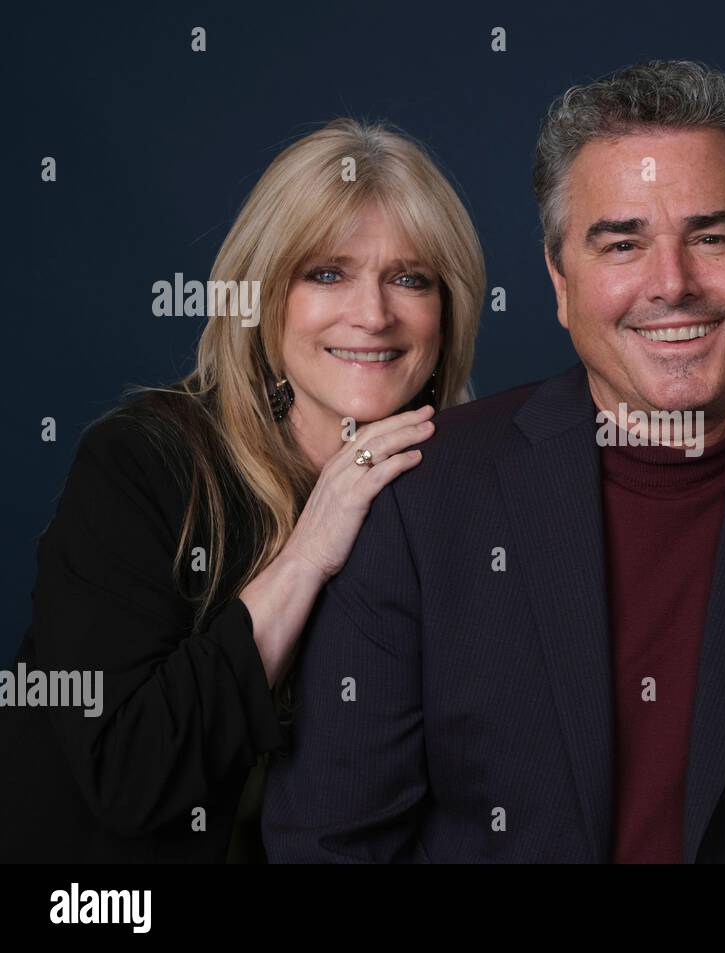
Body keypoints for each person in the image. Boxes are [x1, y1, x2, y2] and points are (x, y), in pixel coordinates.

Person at [262, 61, 725, 864]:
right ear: (559, 281)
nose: (672, 284)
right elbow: (330, 842)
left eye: (713, 237)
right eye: (622, 243)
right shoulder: (421, 498)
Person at [0, 118, 485, 862]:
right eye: (327, 273)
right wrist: (309, 552)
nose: (374, 314)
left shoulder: (464, 492)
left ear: (446, 314)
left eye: (410, 278)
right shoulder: (140, 465)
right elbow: (129, 773)